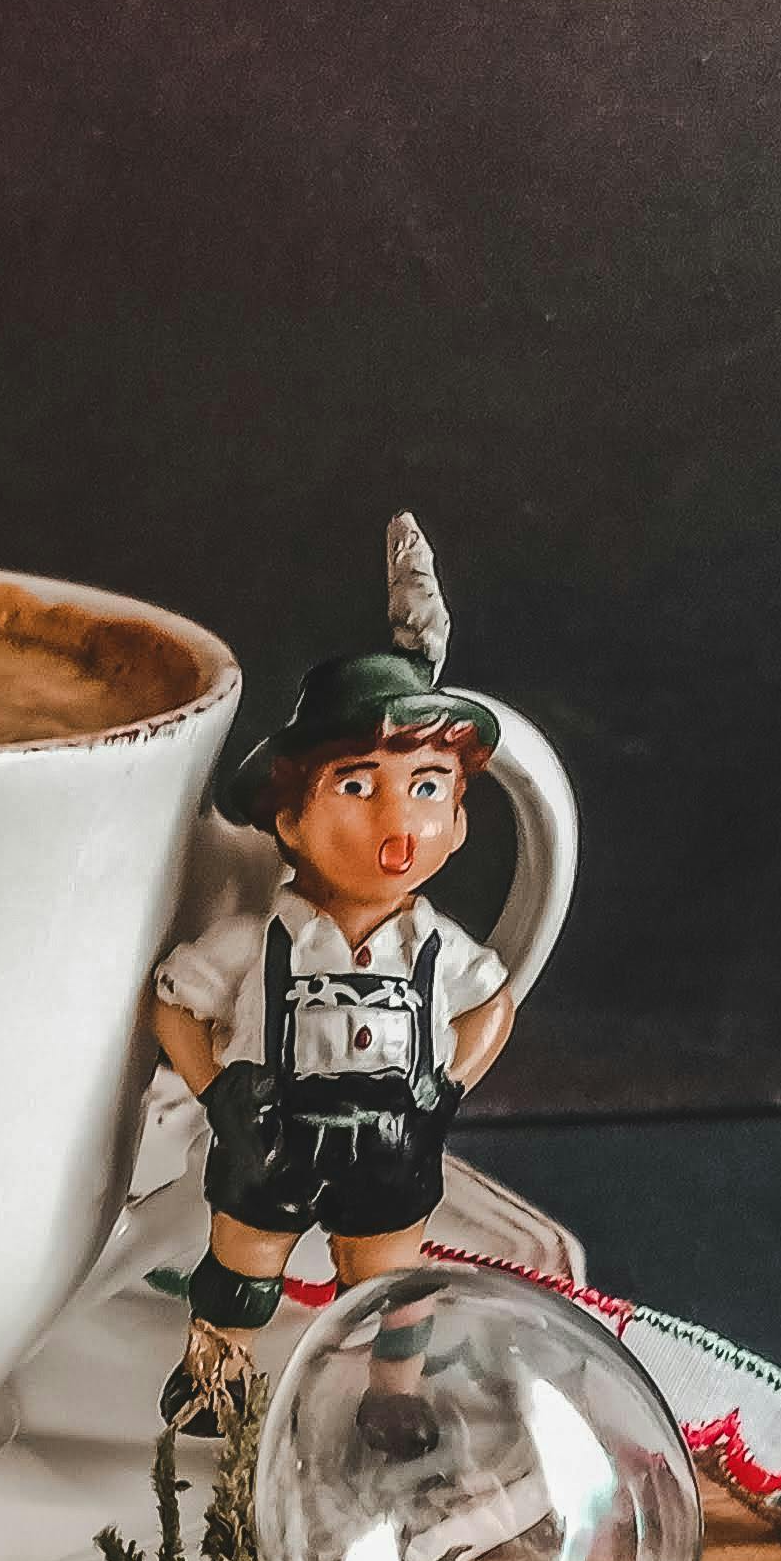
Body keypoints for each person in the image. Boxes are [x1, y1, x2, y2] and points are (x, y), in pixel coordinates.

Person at [146, 519, 516, 1456]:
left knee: (389, 1280)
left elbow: (491, 1006)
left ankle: (392, 1395)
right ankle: (216, 1379)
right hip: (273, 1129)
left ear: (461, 823)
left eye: (429, 788)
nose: (400, 819)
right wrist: (219, 1086)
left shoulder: (441, 950)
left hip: (392, 1136)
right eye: (359, 787)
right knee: (240, 1265)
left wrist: (447, 1085)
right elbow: (175, 1003)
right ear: (290, 820)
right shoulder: (253, 939)